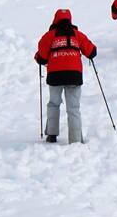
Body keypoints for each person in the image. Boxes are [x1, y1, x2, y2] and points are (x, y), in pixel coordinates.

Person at [34, 9, 98, 144]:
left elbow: (41, 57)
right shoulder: (78, 35)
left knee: (53, 104)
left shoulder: (50, 35)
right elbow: (92, 51)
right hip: (74, 75)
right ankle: (75, 140)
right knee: (73, 108)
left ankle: (51, 135)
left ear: (55, 20)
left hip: (55, 76)